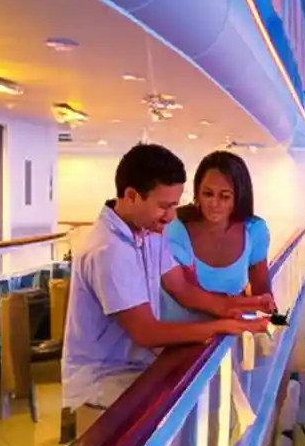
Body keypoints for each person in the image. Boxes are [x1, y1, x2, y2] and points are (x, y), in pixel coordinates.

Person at [61, 143, 269, 430]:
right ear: (132, 196)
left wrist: (237, 306)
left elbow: (181, 288)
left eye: (174, 205)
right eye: (164, 206)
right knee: (202, 405)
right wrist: (220, 326)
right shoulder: (109, 251)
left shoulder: (149, 232)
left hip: (140, 364)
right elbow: (147, 332)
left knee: (216, 394)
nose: (172, 216)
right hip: (104, 380)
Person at [163, 150, 271, 304]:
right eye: (208, 194)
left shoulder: (254, 230)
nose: (214, 204)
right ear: (197, 193)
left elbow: (262, 292)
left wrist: (268, 308)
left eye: (224, 196)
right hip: (179, 318)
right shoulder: (174, 228)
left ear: (238, 197)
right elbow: (180, 291)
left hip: (230, 318)